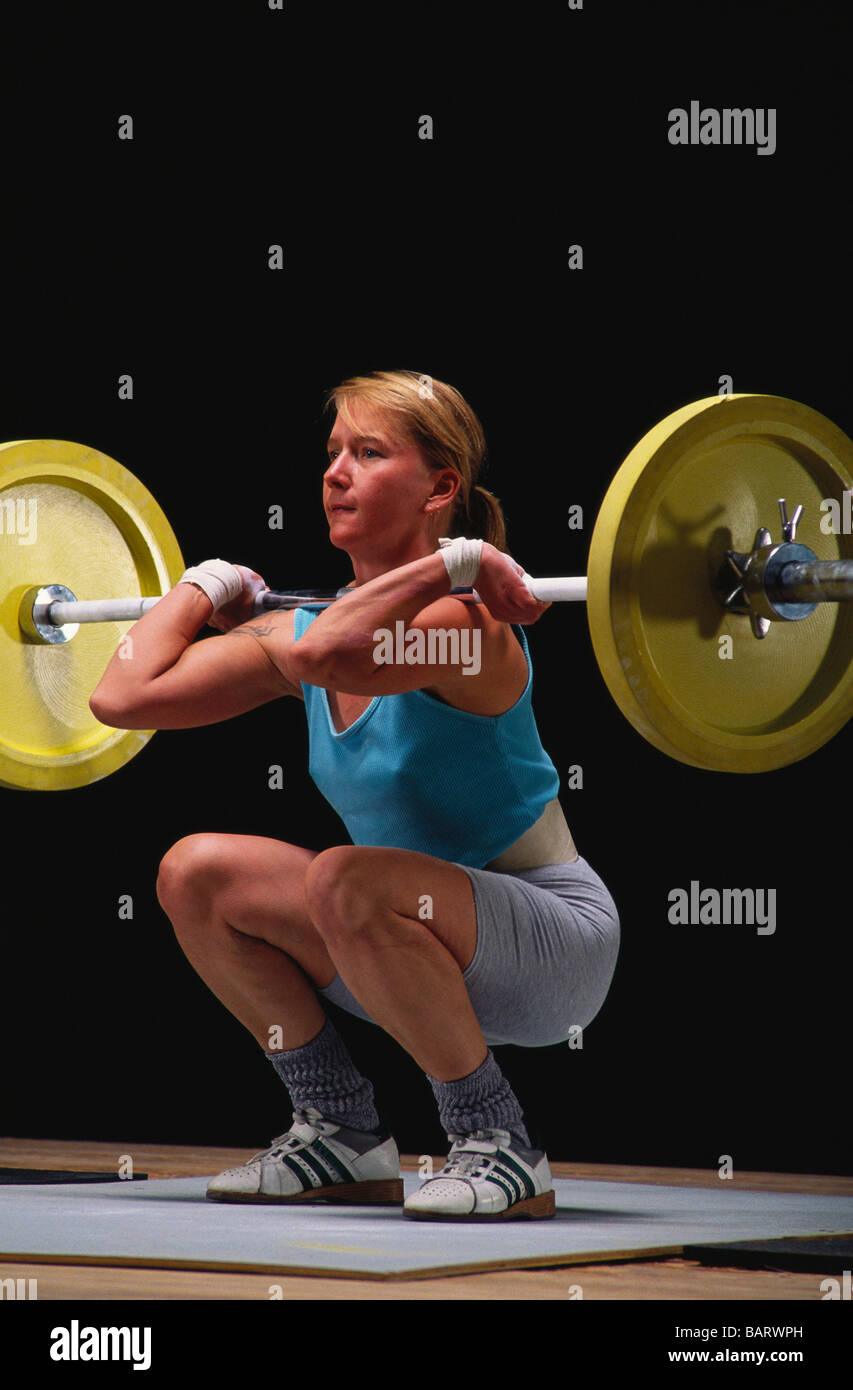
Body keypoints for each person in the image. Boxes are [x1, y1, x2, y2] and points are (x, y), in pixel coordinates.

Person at [90, 369, 620, 1221]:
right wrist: (202, 584)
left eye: (368, 453)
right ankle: (341, 1133)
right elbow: (121, 699)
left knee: (346, 874)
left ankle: (497, 1146)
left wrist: (462, 565)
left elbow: (331, 655)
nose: (336, 471)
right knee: (195, 872)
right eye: (332, 451)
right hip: (396, 934)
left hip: (552, 944)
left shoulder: (469, 627)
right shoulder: (305, 632)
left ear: (440, 487)